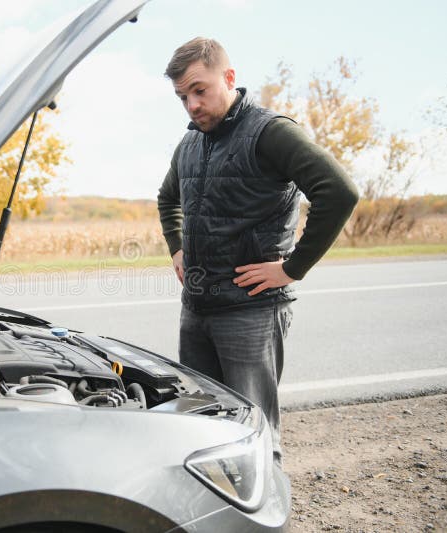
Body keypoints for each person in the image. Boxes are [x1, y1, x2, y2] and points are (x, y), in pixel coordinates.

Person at [157, 37, 359, 465]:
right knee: (201, 429)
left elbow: (339, 192)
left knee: (254, 438)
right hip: (196, 310)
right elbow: (166, 198)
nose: (191, 105)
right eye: (182, 97)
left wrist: (292, 268)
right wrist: (177, 248)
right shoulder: (190, 143)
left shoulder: (270, 132)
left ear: (229, 78)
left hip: (251, 311)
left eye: (200, 90)